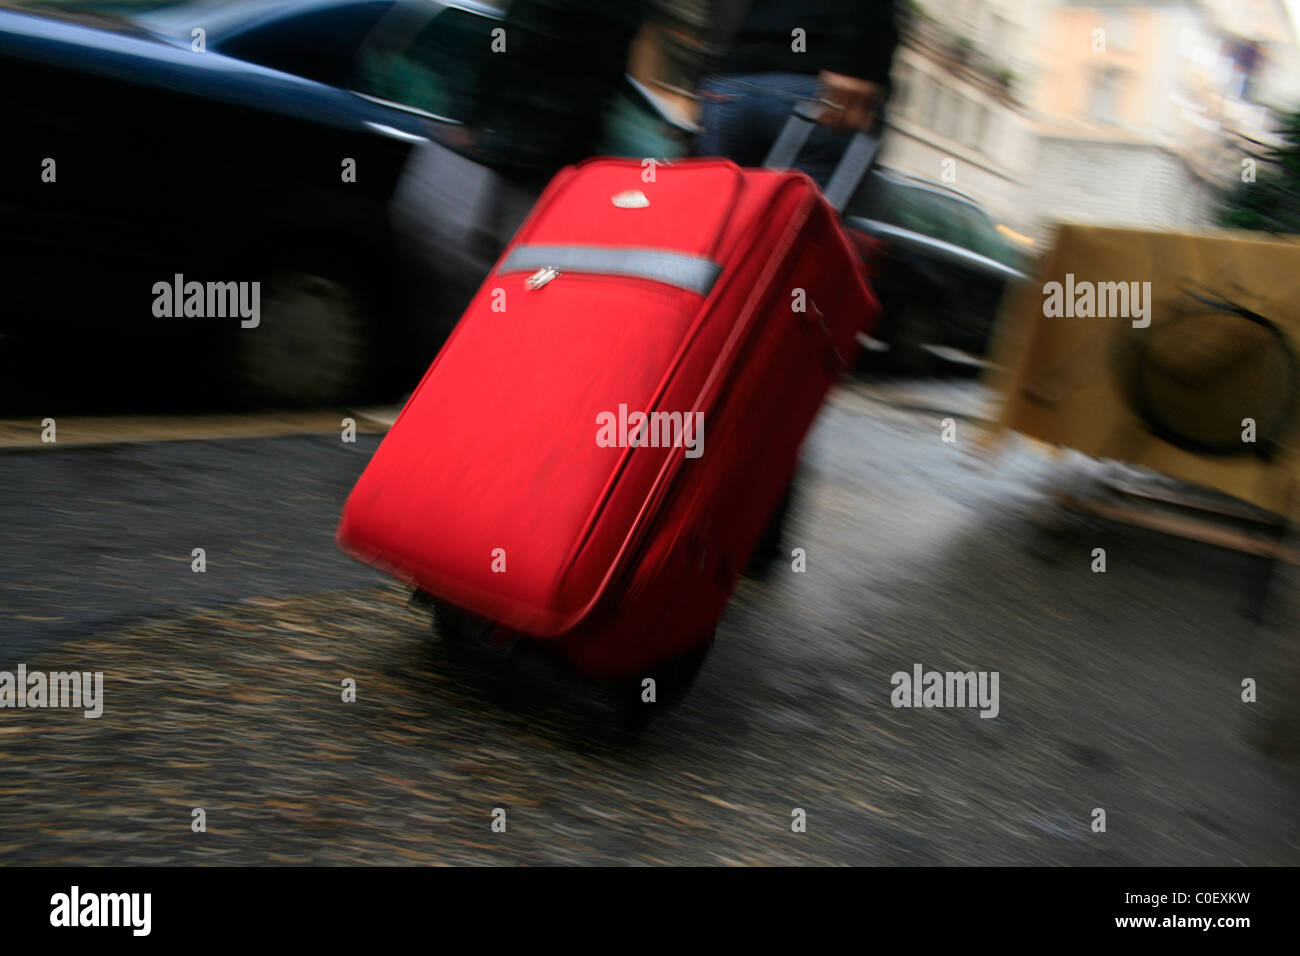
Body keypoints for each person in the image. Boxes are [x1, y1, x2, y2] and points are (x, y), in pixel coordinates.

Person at [697, 0, 900, 575]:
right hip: (820, 81)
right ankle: (751, 535)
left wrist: (710, 70)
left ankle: (681, 511)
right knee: (788, 324)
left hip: (733, 80)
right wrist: (863, 61)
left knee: (715, 304)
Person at [698, 0, 899, 186]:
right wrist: (855, 63)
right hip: (817, 82)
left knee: (717, 204)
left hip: (733, 78)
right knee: (802, 209)